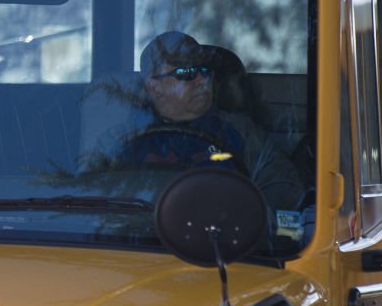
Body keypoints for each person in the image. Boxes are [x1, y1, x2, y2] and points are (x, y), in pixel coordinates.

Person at [116, 31, 307, 216]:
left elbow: (284, 189)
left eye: (204, 71)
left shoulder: (241, 131)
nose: (202, 81)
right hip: (141, 242)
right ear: (154, 86)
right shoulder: (124, 137)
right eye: (186, 72)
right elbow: (98, 193)